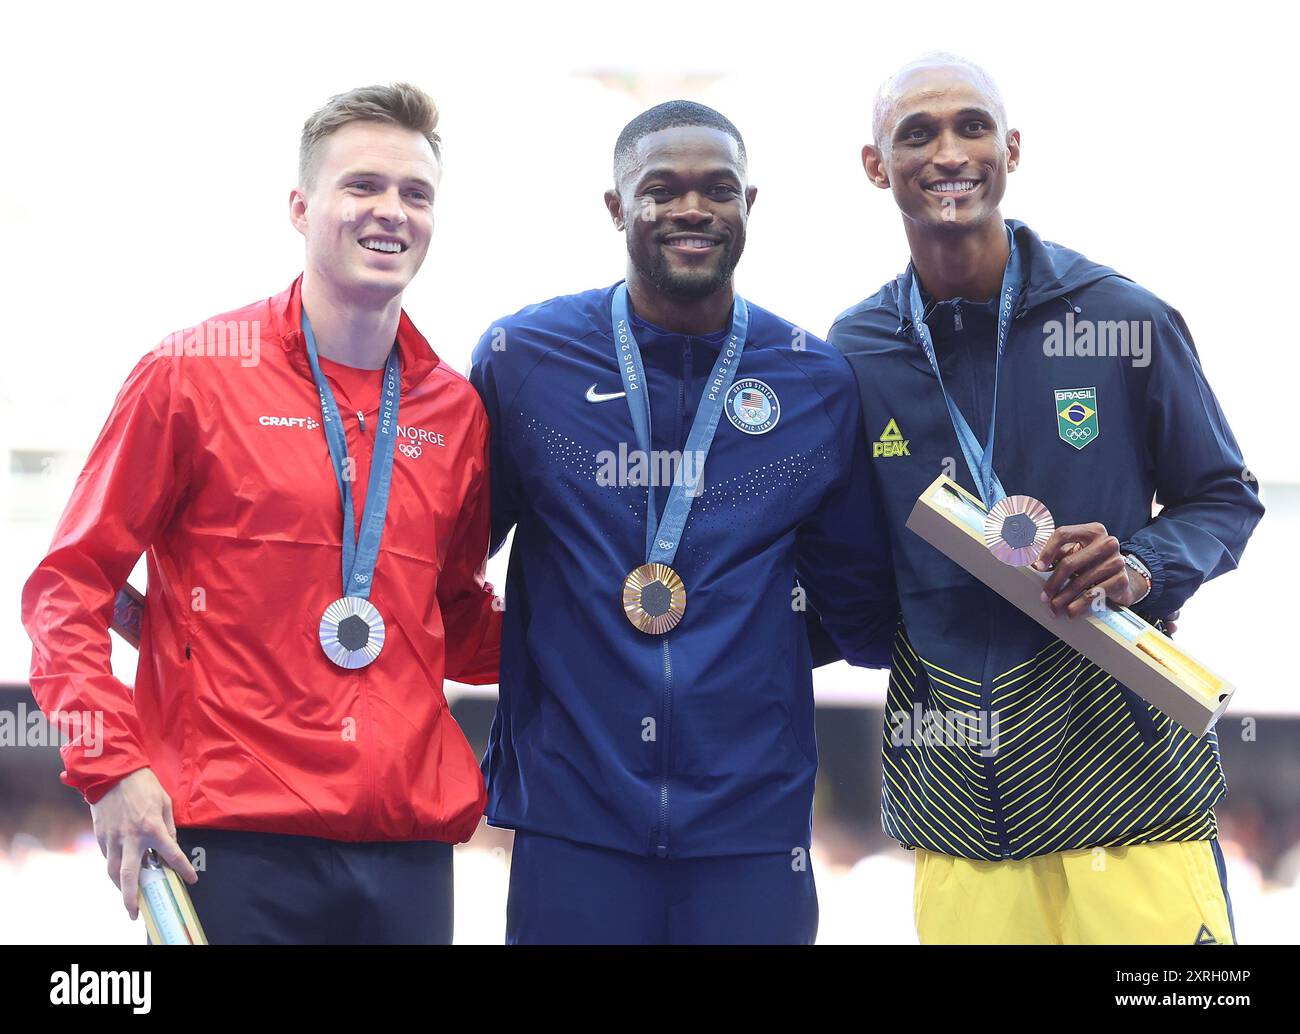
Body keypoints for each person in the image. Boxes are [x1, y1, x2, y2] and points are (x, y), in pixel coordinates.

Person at [21, 83, 501, 944]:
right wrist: (109, 768)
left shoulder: (452, 409)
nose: (390, 210)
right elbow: (66, 587)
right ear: (300, 205)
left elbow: (457, 623)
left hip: (407, 850)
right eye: (362, 186)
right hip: (229, 841)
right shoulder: (190, 375)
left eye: (415, 193)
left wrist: (616, 626)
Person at [827, 54, 1264, 944]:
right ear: (876, 166)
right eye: (917, 133)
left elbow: (1223, 496)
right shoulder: (857, 348)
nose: (949, 151)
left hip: (1132, 782)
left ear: (1011, 149)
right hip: (961, 804)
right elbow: (852, 564)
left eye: (972, 126)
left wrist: (1141, 568)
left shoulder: (1119, 315)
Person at [469, 101, 896, 944]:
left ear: (749, 206)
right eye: (661, 189)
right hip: (571, 820)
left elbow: (858, 608)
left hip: (752, 831)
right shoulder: (526, 359)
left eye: (719, 190)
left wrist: (740, 646)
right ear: (616, 207)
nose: (692, 209)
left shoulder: (815, 380)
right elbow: (444, 560)